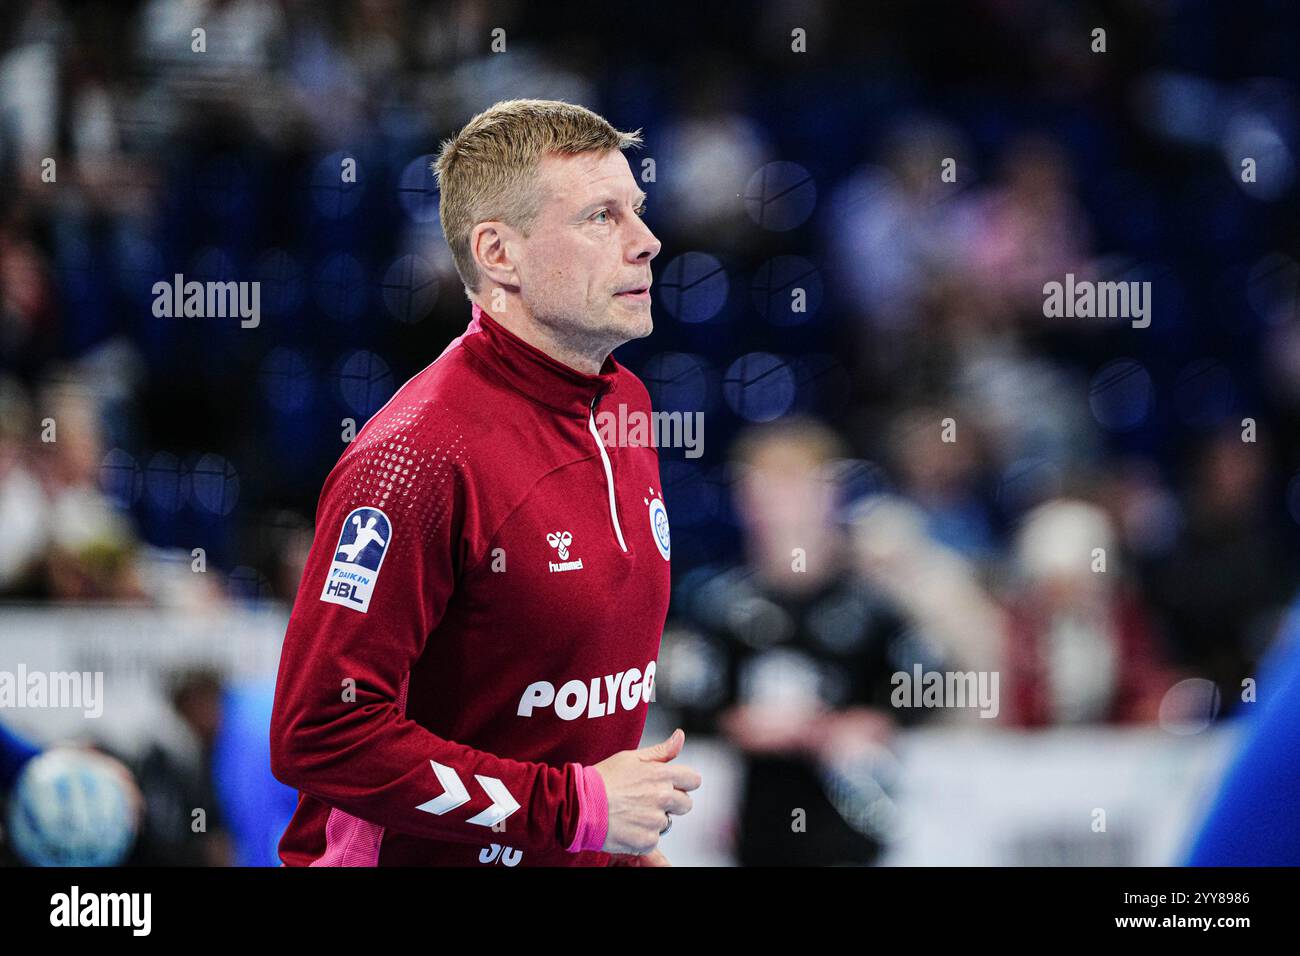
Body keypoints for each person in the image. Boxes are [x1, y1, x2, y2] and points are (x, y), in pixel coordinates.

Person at [270, 99, 699, 867]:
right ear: (499, 255)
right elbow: (320, 734)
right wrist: (573, 811)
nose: (646, 241)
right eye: (602, 218)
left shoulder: (625, 403)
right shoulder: (413, 461)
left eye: (636, 210)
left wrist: (606, 847)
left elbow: (558, 704)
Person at [658, 418, 943, 865]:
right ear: (745, 500)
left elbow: (927, 686)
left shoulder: (872, 606)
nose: (786, 505)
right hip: (754, 834)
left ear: (831, 493)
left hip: (855, 835)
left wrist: (871, 721)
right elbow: (684, 701)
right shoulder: (719, 606)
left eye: (799, 485)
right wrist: (742, 724)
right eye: (770, 487)